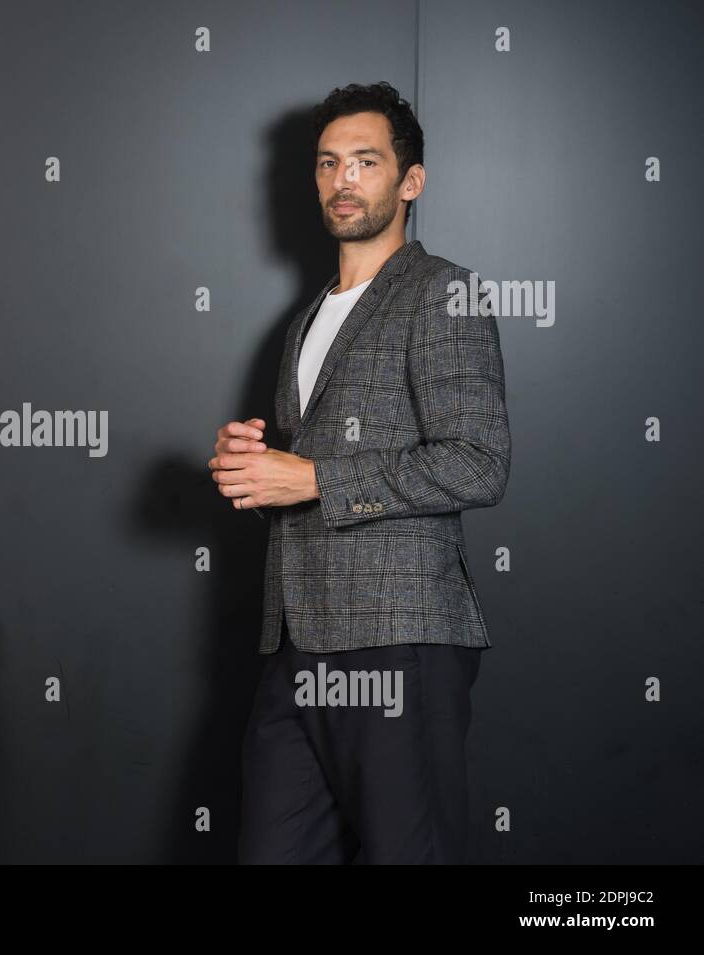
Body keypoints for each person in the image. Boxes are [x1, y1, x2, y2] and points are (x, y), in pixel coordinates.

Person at [210, 83, 510, 863]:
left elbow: (478, 462)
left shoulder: (443, 292)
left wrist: (309, 477)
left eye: (366, 162)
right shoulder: (306, 319)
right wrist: (253, 471)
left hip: (400, 639)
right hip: (296, 647)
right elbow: (300, 476)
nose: (343, 179)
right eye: (328, 163)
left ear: (410, 181)